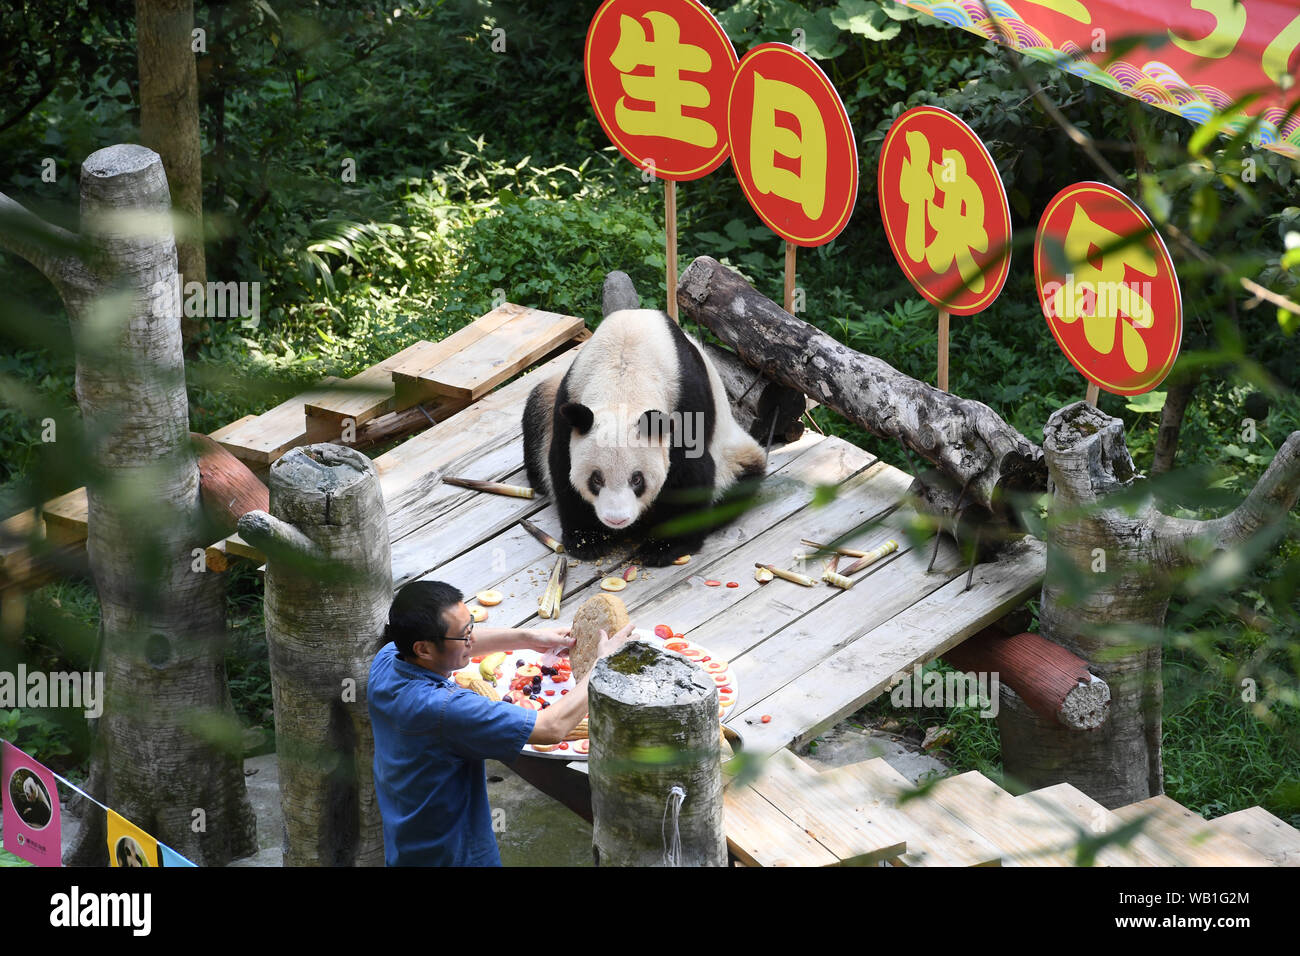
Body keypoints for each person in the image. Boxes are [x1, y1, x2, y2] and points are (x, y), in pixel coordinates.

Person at [368, 579, 634, 866]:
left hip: (406, 842)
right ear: (424, 649)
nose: (472, 639)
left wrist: (529, 637)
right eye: (463, 635)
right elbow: (551, 727)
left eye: (471, 625)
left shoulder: (388, 660)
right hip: (456, 855)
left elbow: (462, 641)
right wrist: (601, 664)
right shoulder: (445, 709)